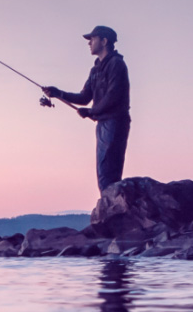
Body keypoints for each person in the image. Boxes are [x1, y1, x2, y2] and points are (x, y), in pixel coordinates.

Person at [43, 26, 130, 191]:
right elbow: (84, 97)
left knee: (109, 171)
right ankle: (109, 204)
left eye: (92, 39)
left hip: (115, 122)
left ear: (104, 41)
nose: (89, 43)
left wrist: (91, 112)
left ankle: (113, 205)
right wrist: (58, 93)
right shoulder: (95, 70)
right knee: (103, 173)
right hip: (102, 123)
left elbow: (113, 95)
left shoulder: (117, 64)